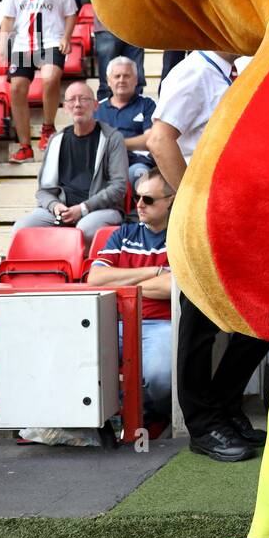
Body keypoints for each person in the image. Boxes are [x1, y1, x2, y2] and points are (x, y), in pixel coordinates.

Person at [145, 50, 266, 462]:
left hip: (243, 212)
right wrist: (194, 199)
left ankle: (225, 405)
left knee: (264, 316)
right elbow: (159, 138)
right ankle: (201, 422)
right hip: (207, 215)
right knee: (199, 322)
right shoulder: (193, 70)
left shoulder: (242, 66)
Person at [87, 168, 175, 423]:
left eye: (148, 199)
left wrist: (123, 280)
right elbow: (96, 278)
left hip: (162, 323)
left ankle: (137, 418)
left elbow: (173, 287)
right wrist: (155, 271)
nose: (139, 205)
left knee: (160, 379)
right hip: (115, 322)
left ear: (170, 200)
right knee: (74, 359)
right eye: (137, 197)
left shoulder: (180, 238)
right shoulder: (123, 234)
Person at [12, 80, 126, 246]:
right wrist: (55, 206)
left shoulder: (112, 138)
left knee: (83, 230)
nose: (77, 104)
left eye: (84, 99)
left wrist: (82, 208)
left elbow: (119, 187)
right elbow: (43, 191)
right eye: (72, 100)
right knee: (21, 229)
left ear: (95, 105)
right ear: (65, 108)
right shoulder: (56, 140)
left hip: (100, 209)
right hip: (61, 210)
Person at [0, 0, 78, 163]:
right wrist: (2, 44)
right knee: (16, 90)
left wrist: (66, 37)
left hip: (52, 40)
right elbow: (8, 17)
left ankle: (47, 127)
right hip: (23, 43)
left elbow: (71, 13)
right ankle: (25, 146)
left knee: (51, 78)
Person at [95, 57, 156, 187]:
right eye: (117, 76)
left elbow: (150, 140)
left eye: (126, 76)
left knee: (140, 174)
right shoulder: (96, 109)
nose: (121, 80)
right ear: (109, 81)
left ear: (136, 80)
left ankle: (141, 207)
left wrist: (117, 144)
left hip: (138, 161)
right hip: (104, 162)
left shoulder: (147, 104)